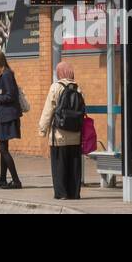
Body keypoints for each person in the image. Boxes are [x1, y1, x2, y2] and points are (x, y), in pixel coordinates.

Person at [38, 61, 84, 200]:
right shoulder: (77, 88)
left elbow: (48, 110)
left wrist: (42, 129)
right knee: (74, 166)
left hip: (59, 135)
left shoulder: (55, 87)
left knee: (59, 165)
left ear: (59, 72)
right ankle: (74, 193)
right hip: (75, 134)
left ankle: (61, 193)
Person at [0, 51, 23, 189]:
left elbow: (11, 96)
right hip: (1, 116)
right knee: (3, 148)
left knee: (2, 148)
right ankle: (2, 179)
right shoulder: (0, 76)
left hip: (7, 117)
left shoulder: (7, 75)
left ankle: (16, 181)